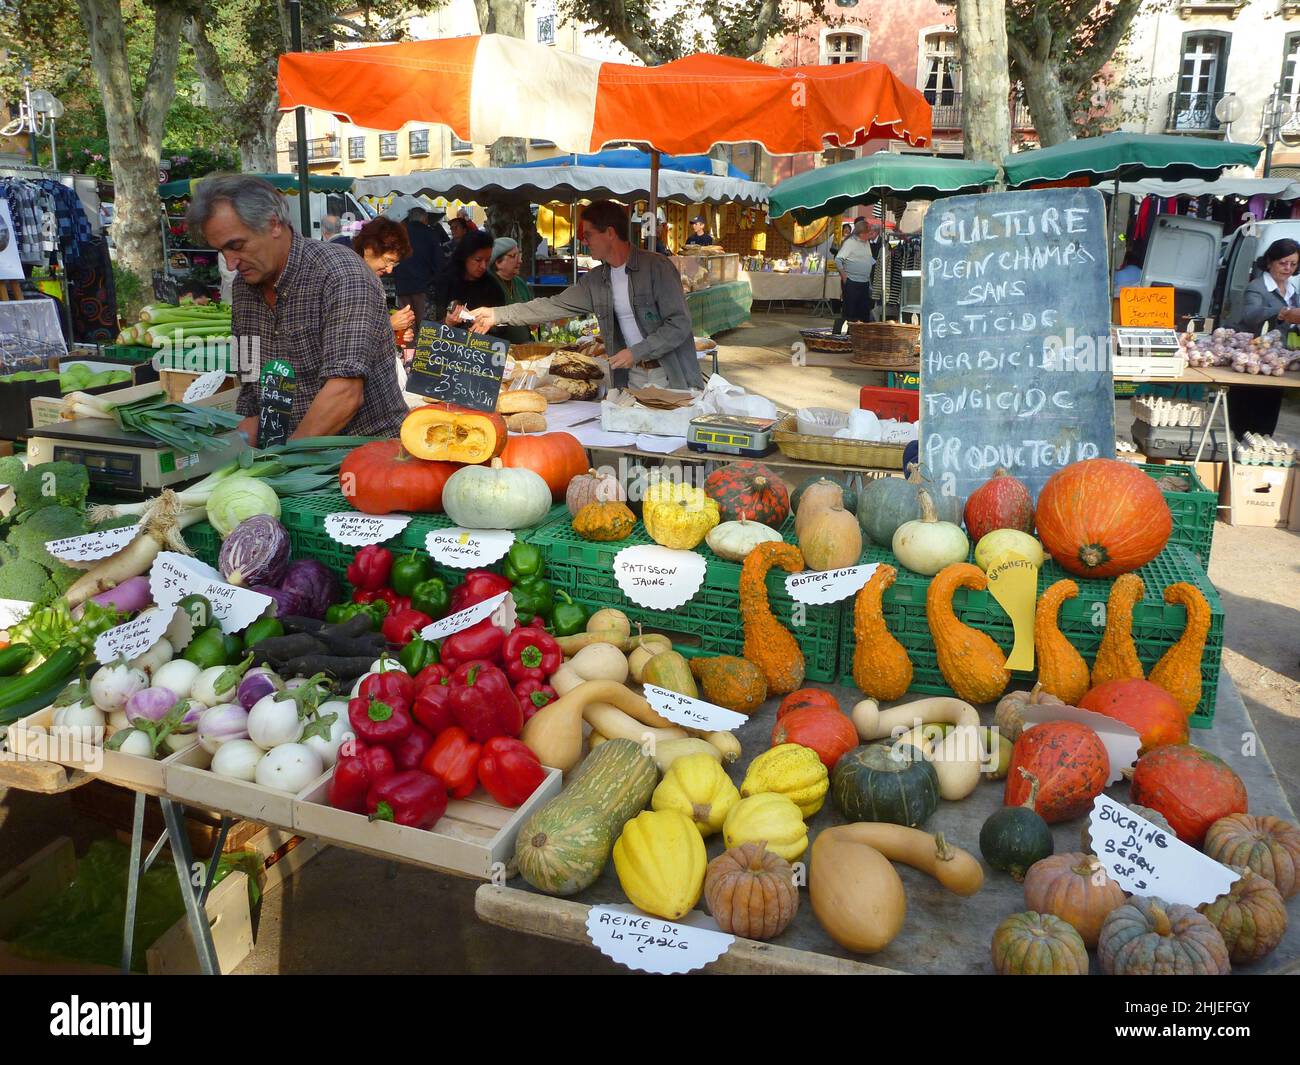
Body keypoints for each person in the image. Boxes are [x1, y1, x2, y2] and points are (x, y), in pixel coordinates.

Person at [187, 173, 407, 445]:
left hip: (367, 456)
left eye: (237, 246)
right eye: (222, 251)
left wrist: (284, 461)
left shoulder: (341, 274)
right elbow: (251, 384)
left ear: (274, 224)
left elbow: (345, 393)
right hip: (291, 458)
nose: (230, 263)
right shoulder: (244, 289)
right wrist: (231, 448)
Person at [468, 200, 700, 391]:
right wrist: (496, 314)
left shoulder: (656, 267)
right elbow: (552, 306)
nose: (584, 241)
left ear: (609, 232)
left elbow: (679, 324)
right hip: (633, 376)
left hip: (671, 374)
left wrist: (636, 352)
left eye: (588, 235)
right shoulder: (596, 280)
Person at [1224, 237, 1300, 437]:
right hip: (1251, 361)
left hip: (1276, 363)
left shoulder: (1292, 291)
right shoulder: (1256, 287)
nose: (1288, 268)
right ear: (1269, 262)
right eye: (1283, 263)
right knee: (1244, 425)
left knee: (1267, 424)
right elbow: (1250, 316)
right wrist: (1283, 312)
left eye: (1293, 264)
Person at [351, 216, 417, 346]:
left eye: (395, 264)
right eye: (388, 260)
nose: (390, 270)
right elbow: (350, 338)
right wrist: (390, 325)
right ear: (368, 249)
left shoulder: (369, 279)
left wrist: (396, 335)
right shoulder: (352, 282)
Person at [435, 229, 506, 326]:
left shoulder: (492, 286)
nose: (483, 266)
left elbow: (503, 323)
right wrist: (447, 322)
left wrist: (487, 324)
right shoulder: (443, 283)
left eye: (487, 260)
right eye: (478, 260)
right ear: (464, 257)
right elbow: (427, 327)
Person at [389, 206, 442, 326]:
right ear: (424, 218)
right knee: (424, 326)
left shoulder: (401, 234)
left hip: (402, 285)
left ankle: (409, 344)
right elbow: (439, 263)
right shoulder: (430, 233)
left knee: (406, 324)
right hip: (423, 286)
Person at [833, 218, 877, 334]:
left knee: (863, 311)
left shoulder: (866, 243)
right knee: (850, 312)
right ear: (862, 234)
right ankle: (848, 335)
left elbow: (868, 258)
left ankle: (862, 335)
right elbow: (838, 259)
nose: (871, 235)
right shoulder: (850, 243)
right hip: (852, 282)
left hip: (864, 282)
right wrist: (843, 275)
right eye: (869, 233)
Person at [489, 237, 535, 345]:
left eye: (519, 255)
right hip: (499, 352)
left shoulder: (519, 283)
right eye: (513, 256)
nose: (520, 260)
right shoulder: (488, 285)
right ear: (498, 262)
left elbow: (531, 310)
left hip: (525, 348)